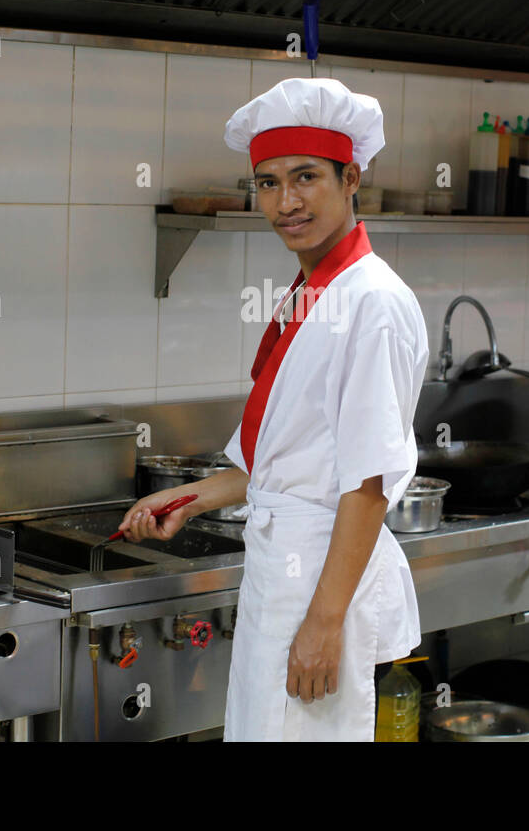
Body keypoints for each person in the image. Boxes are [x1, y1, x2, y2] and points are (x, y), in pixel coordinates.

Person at [117, 77, 427, 741]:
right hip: (284, 575)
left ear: (352, 180)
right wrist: (194, 497)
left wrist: (324, 621)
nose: (286, 202)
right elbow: (290, 458)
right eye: (267, 182)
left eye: (307, 177)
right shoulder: (315, 290)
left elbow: (368, 485)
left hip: (319, 583)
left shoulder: (369, 304)